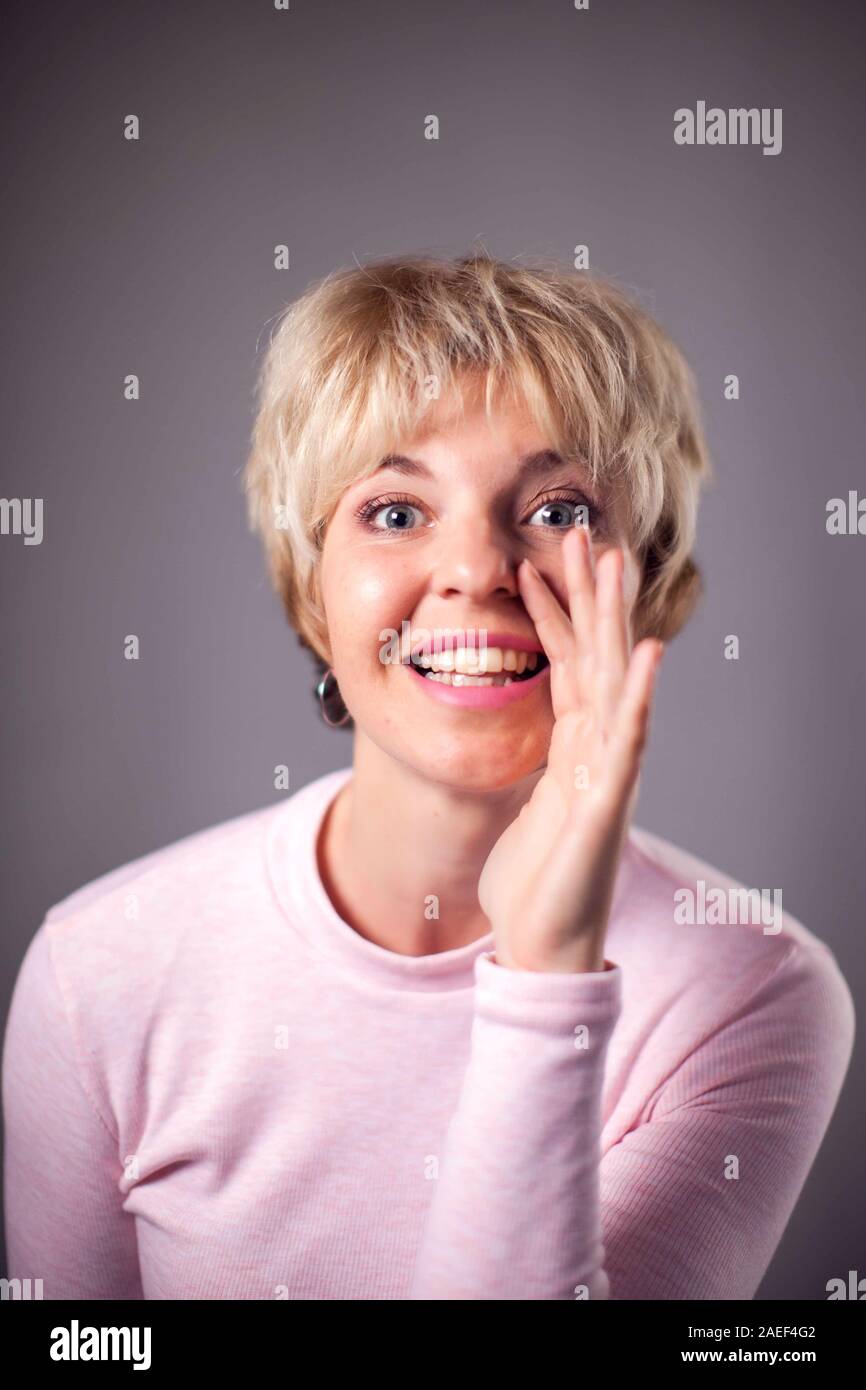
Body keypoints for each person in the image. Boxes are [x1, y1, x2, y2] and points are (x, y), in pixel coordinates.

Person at [3, 253, 854, 1300]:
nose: (479, 567)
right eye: (396, 511)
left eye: (558, 509)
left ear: (646, 585)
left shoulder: (750, 992)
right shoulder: (99, 974)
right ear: (315, 591)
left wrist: (546, 971)